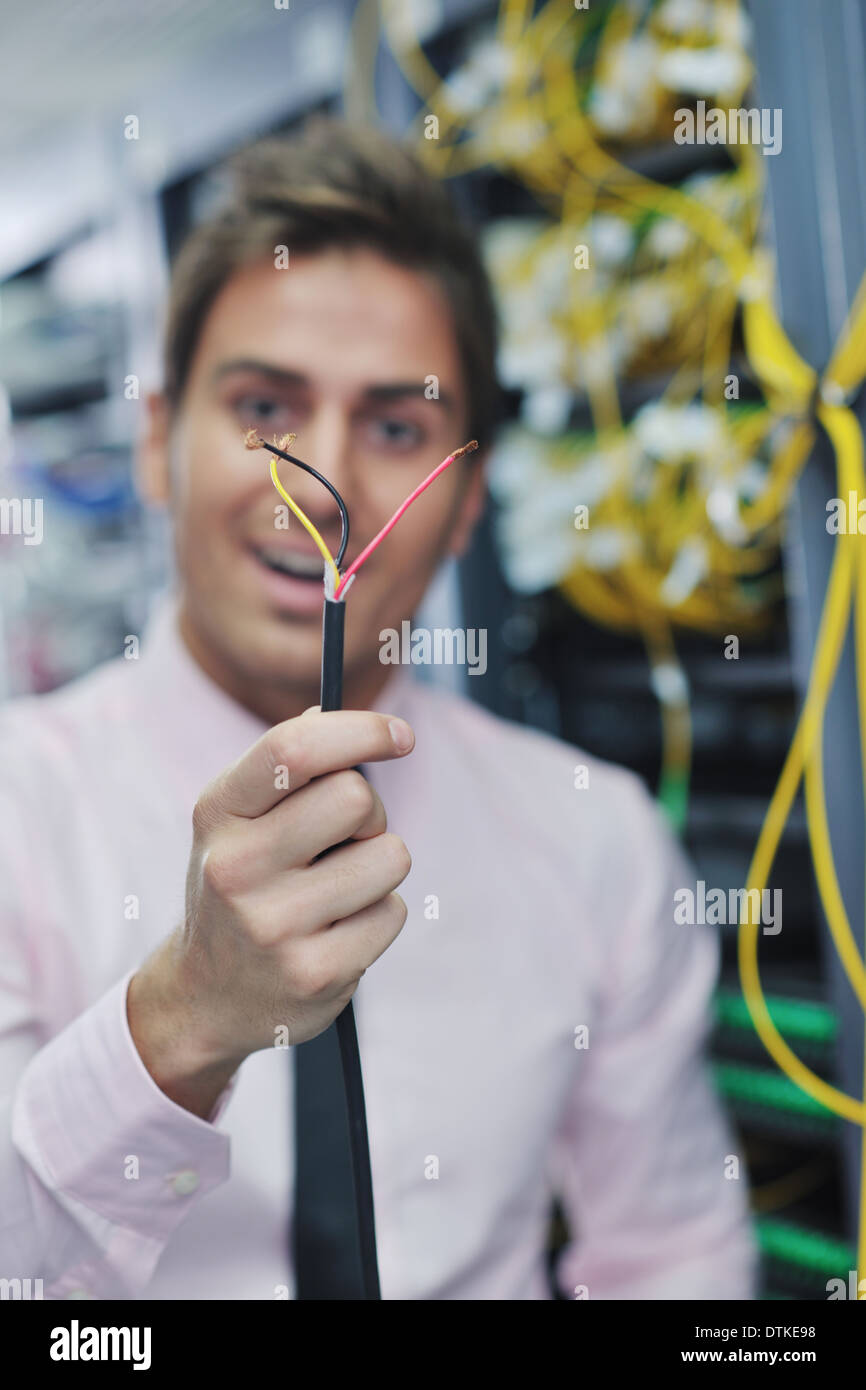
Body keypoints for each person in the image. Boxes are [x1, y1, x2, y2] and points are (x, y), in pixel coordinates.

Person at [0, 119, 756, 1300]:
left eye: (397, 426)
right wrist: (180, 1022)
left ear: (465, 507)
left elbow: (674, 1263)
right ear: (157, 442)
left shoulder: (595, 840)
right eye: (265, 407)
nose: (330, 486)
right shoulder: (17, 808)